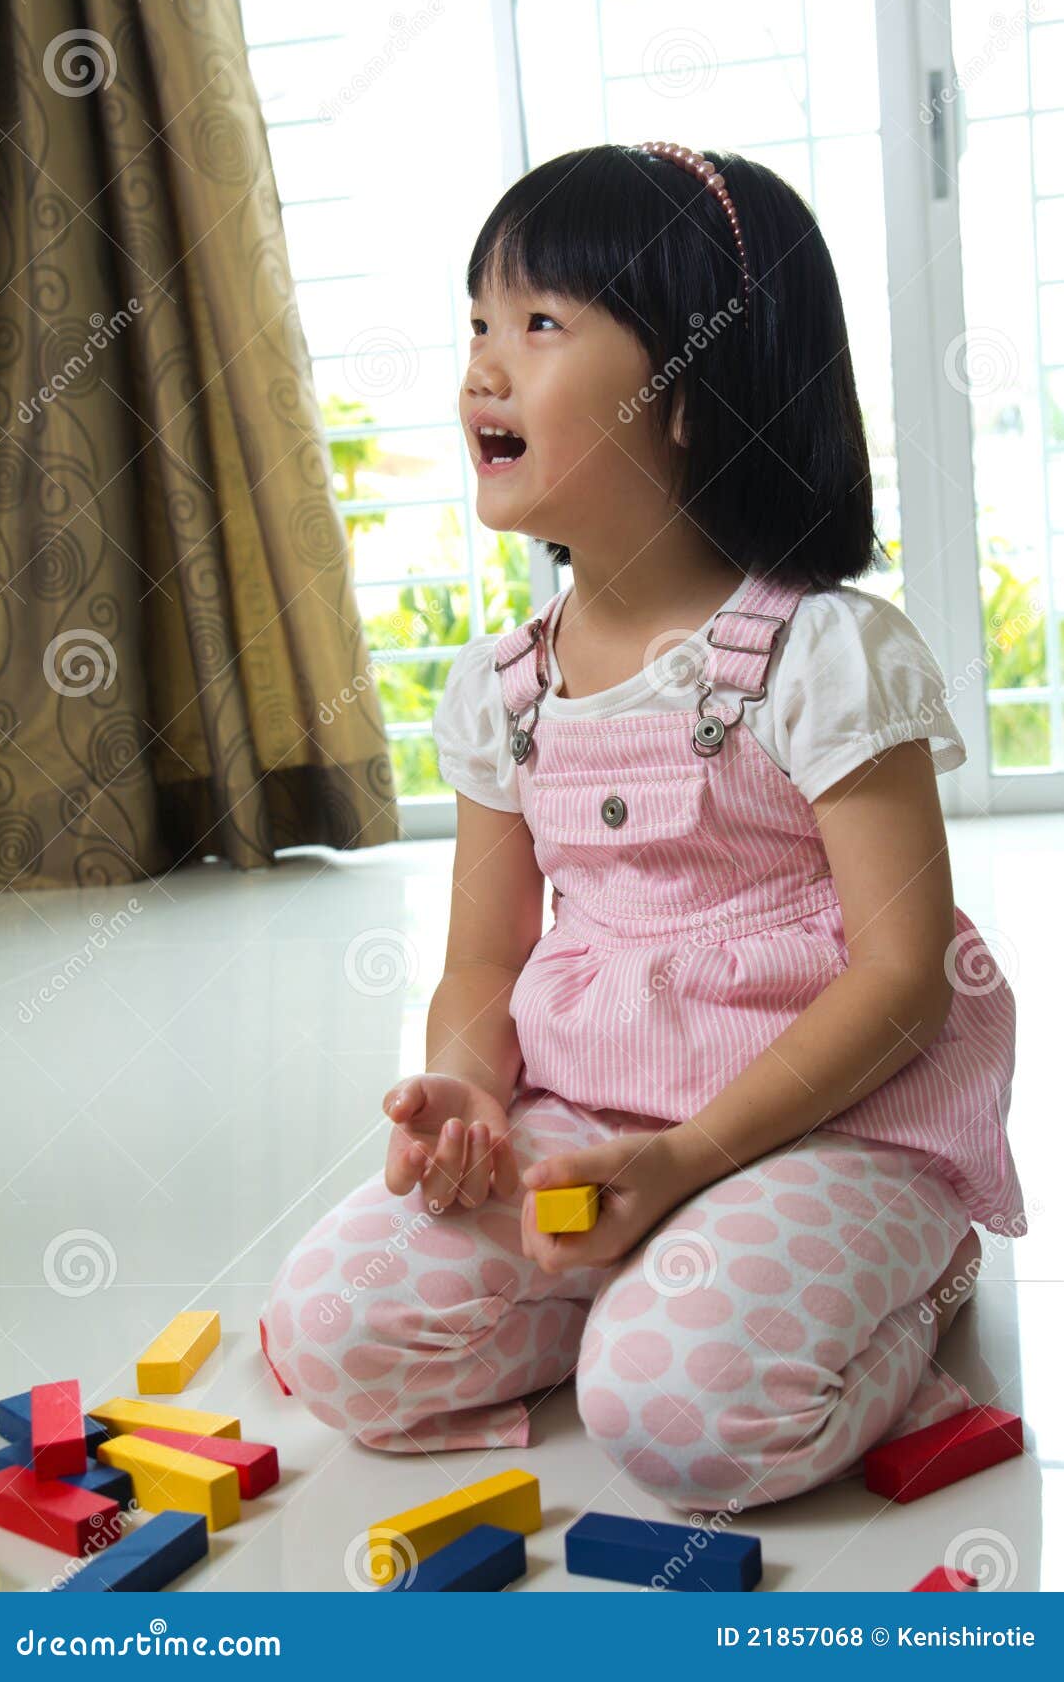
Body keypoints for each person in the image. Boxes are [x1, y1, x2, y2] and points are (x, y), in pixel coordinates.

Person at [259, 143, 1024, 1509]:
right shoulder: (503, 686)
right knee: (329, 1331)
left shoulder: (828, 655)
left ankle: (920, 1270)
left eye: (540, 325)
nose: (481, 368)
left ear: (690, 394)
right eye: (478, 324)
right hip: (591, 1123)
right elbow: (485, 965)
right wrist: (471, 1093)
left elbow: (905, 986)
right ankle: (627, 1270)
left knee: (680, 1417)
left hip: (828, 1129)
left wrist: (682, 1164)